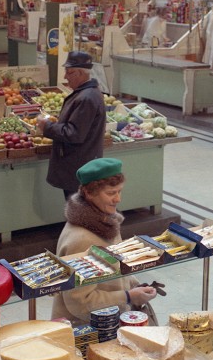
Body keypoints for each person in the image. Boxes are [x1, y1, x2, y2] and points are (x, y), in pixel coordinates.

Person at [52, 157, 159, 324]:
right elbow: (79, 302)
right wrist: (128, 296)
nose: (118, 199)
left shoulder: (105, 223)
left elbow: (115, 270)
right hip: (84, 328)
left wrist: (134, 286)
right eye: (110, 193)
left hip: (107, 319)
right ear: (88, 193)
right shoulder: (82, 239)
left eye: (119, 191)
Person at [34, 50, 107, 203]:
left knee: (80, 209)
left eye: (69, 72)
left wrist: (46, 126)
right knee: (80, 208)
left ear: (80, 73)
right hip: (79, 164)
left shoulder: (86, 98)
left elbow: (74, 133)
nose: (65, 77)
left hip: (79, 166)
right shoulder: (85, 94)